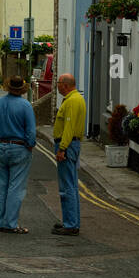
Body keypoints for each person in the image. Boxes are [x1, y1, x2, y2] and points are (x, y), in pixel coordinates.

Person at [0, 75, 37, 233]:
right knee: (16, 187)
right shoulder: (25, 105)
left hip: (1, 146)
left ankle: (0, 221)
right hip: (19, 147)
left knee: (3, 185)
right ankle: (11, 223)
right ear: (22, 89)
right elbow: (31, 131)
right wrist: (30, 145)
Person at [52, 72, 86, 235]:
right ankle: (71, 221)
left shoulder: (72, 101)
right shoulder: (76, 98)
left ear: (65, 85)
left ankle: (71, 224)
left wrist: (62, 149)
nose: (57, 85)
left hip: (68, 145)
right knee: (70, 185)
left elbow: (69, 127)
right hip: (72, 145)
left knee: (67, 187)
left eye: (58, 82)